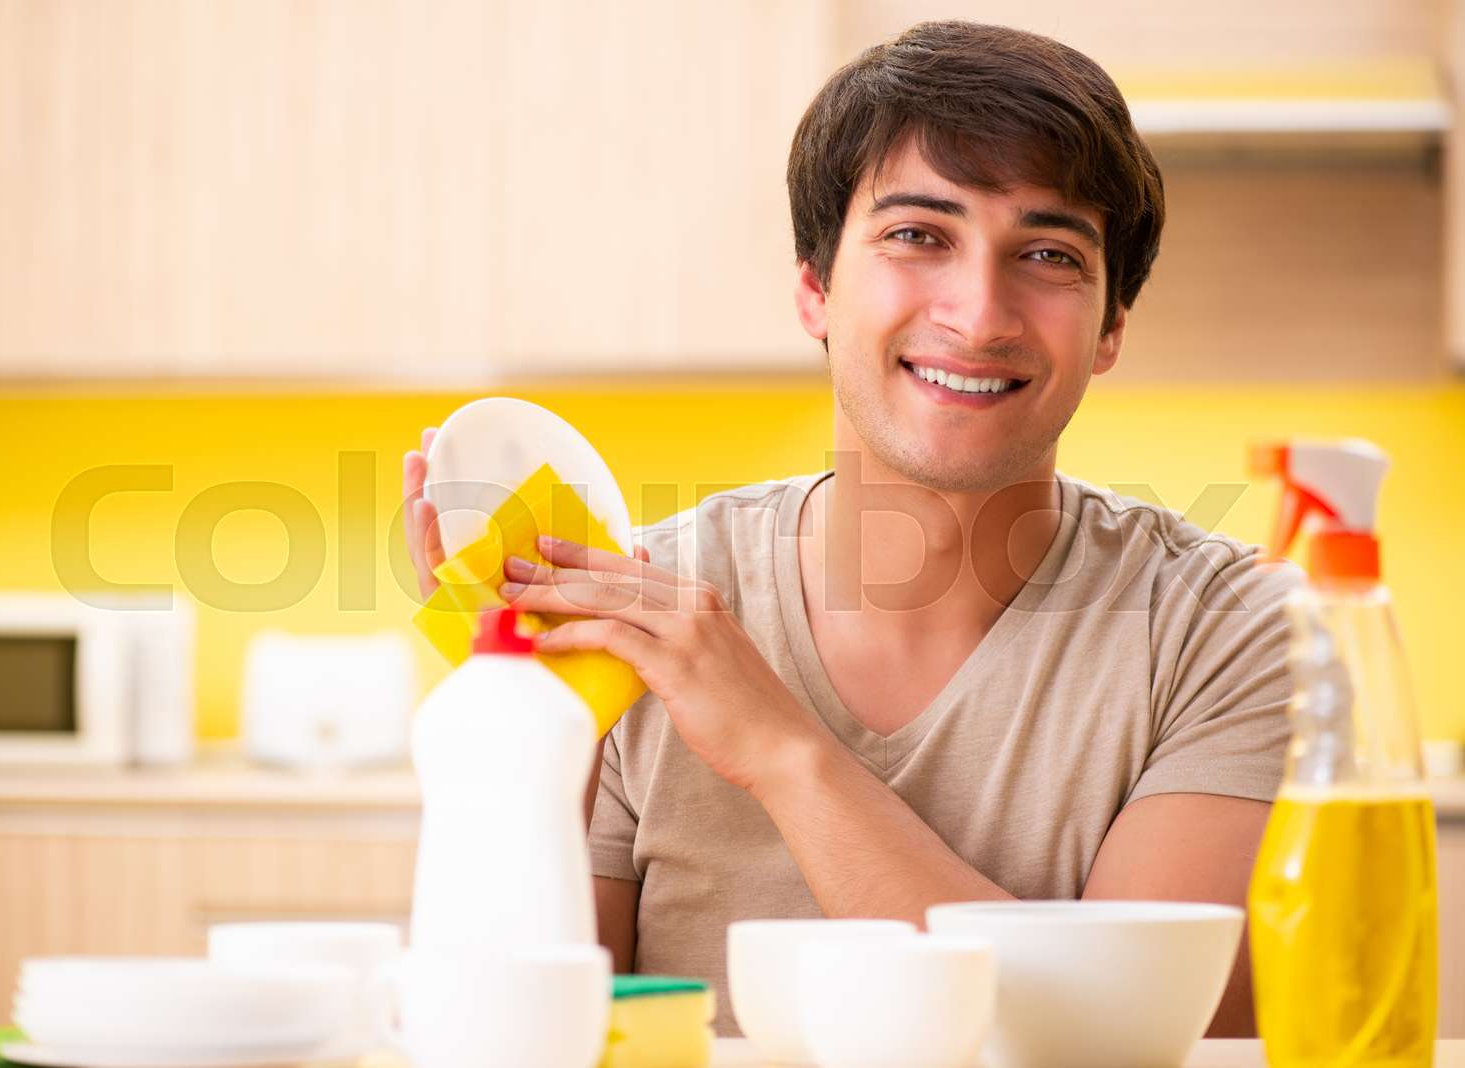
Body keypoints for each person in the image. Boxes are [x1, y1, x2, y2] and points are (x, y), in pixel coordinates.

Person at [402, 20, 1299, 1038]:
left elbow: (1130, 1042)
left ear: (1109, 332)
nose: (978, 310)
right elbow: (528, 1035)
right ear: (814, 290)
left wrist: (781, 750)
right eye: (919, 235)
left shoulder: (1231, 629)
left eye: (1046, 254)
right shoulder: (635, 605)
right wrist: (518, 714)